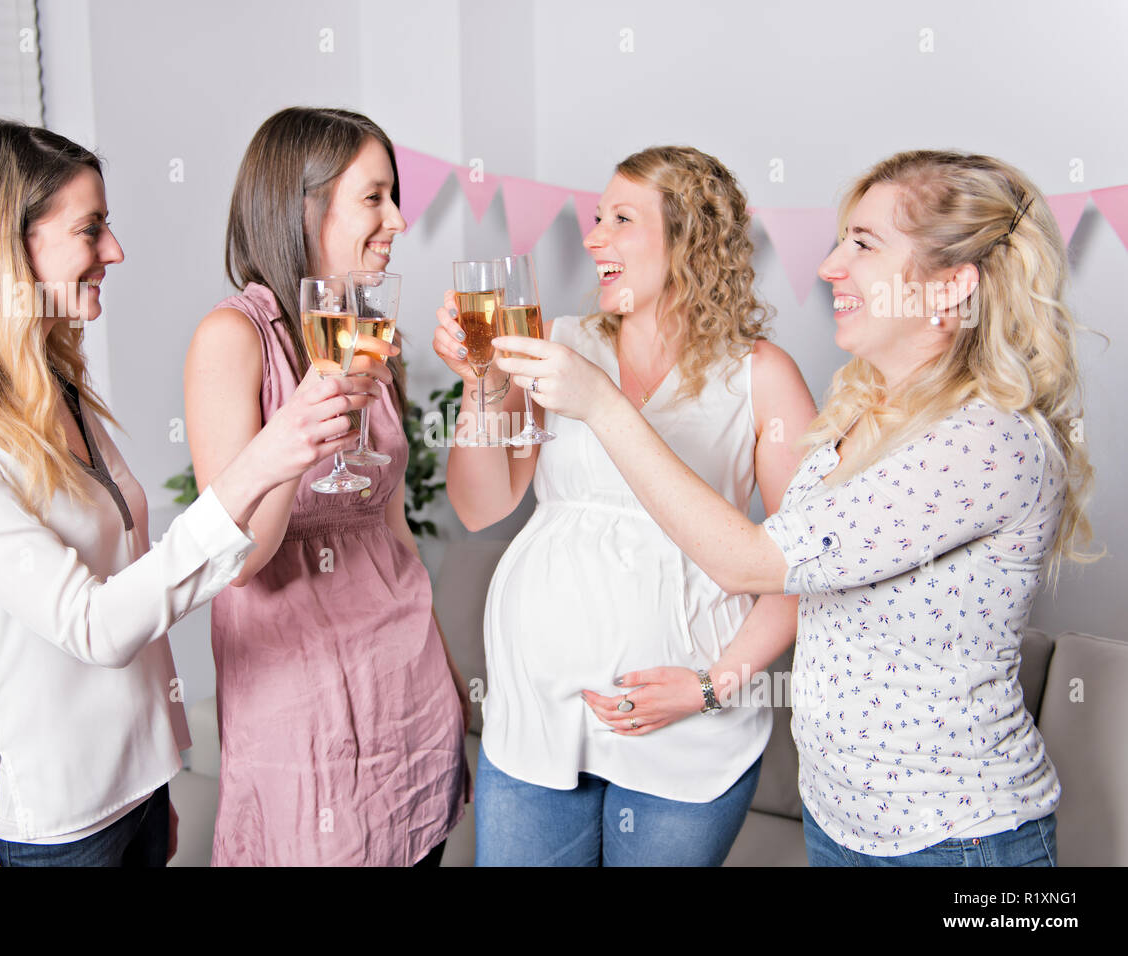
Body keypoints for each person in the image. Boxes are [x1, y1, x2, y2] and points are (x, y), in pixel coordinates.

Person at [494, 149, 1100, 867]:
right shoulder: (867, 409)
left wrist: (602, 404)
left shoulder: (984, 442)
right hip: (842, 822)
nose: (829, 267)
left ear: (949, 288)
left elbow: (756, 563)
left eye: (864, 245)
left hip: (955, 840)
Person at [0, 119, 385, 866]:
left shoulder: (57, 390)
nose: (114, 250)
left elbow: (139, 580)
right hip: (47, 821)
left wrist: (158, 775)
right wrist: (268, 457)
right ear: (6, 248)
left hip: (134, 789)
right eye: (91, 229)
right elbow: (95, 624)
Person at [434, 146, 818, 865]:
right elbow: (482, 505)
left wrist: (711, 687)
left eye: (620, 219)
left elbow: (801, 565)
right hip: (538, 717)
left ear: (689, 240)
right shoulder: (556, 344)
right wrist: (479, 382)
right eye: (594, 217)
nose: (591, 238)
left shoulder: (761, 376)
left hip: (686, 735)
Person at [184, 106, 468, 867]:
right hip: (303, 712)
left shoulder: (367, 329)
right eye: (373, 198)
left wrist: (442, 673)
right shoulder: (233, 339)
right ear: (304, 206)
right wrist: (312, 419)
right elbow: (237, 559)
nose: (398, 220)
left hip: (407, 689)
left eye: (394, 196)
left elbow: (391, 523)